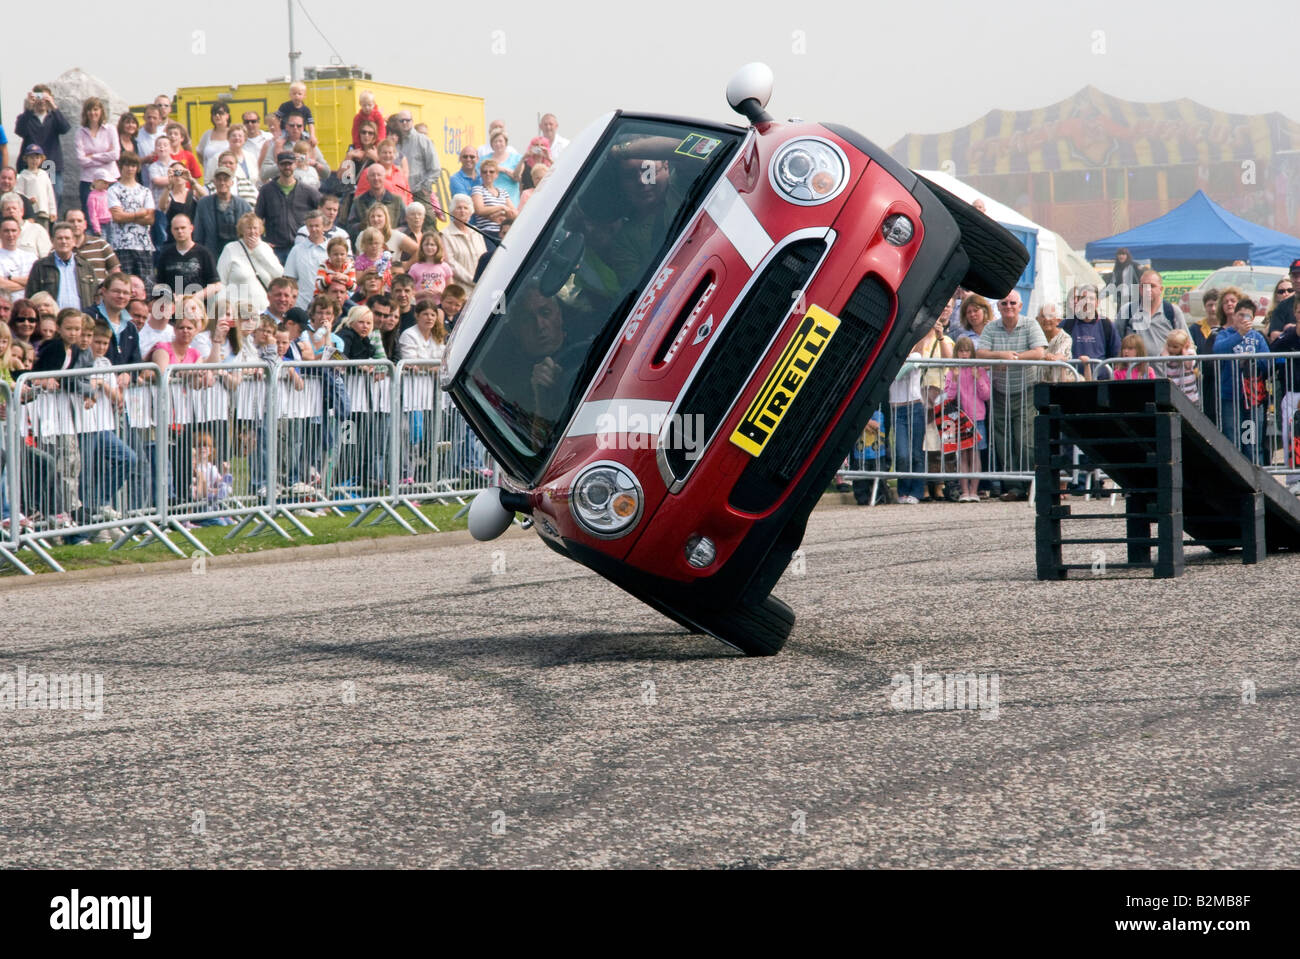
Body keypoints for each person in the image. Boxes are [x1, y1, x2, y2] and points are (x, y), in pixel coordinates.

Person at [975, 290, 1046, 501]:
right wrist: (1001, 356)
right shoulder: (991, 327)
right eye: (1004, 303)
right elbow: (980, 353)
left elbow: (1039, 352)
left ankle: (1030, 483)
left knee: (1024, 441)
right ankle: (1014, 487)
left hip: (1026, 390)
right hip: (999, 392)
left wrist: (1015, 358)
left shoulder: (1030, 324)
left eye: (1012, 303)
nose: (1008, 307)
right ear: (998, 307)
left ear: (1020, 306)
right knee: (1003, 441)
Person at [1212, 296, 1271, 465]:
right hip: (1230, 396)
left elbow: (1267, 362)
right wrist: (1239, 335)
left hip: (1252, 398)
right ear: (1235, 315)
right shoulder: (1224, 334)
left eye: (1247, 316)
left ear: (1252, 319)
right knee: (1232, 439)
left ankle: (1255, 479)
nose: (1243, 319)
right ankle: (1235, 477)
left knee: (1251, 440)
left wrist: (1252, 361)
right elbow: (1218, 350)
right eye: (1240, 315)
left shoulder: (1258, 338)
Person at [943, 336, 991, 502]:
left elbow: (986, 395)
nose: (964, 354)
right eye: (961, 351)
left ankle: (974, 491)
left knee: (975, 454)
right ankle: (964, 491)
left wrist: (978, 377)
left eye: (967, 350)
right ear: (957, 352)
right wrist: (955, 379)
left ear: (972, 353)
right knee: (963, 455)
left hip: (977, 417)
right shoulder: (952, 371)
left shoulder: (978, 370)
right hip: (959, 418)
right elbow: (949, 396)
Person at [255, 152, 322, 264]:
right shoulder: (266, 191)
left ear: (295, 164)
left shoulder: (308, 191)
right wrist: (262, 241)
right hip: (275, 248)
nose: (287, 167)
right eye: (283, 164)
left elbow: (322, 212)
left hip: (302, 247)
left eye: (290, 164)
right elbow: (257, 218)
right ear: (278, 165)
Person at [15, 86, 72, 207]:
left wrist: (53, 107)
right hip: (28, 163)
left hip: (50, 163)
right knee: (29, 197)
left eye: (44, 97)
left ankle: (52, 223)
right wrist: (28, 110)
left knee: (55, 194)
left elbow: (65, 128)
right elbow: (20, 131)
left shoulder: (54, 117)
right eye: (38, 97)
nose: (41, 101)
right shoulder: (26, 117)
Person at [104, 154, 155, 286]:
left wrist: (127, 215)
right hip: (122, 245)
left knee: (146, 287)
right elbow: (117, 217)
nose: (130, 169)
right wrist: (140, 213)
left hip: (143, 244)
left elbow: (150, 218)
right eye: (126, 165)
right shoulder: (113, 190)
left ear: (137, 168)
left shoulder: (145, 191)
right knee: (123, 285)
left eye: (133, 165)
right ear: (121, 167)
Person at [217, 212, 283, 314]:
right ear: (242, 230)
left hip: (263, 310)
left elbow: (279, 274)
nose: (252, 232)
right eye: (248, 228)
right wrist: (223, 308)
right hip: (238, 311)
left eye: (255, 228)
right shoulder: (230, 248)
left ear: (260, 230)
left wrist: (258, 251)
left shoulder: (265, 248)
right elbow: (221, 281)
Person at [888, 338, 927, 504]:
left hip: (915, 407)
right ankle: (903, 490)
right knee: (902, 454)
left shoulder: (916, 355)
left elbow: (898, 374)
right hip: (897, 409)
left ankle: (917, 491)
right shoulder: (889, 356)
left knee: (917, 453)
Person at [25, 222, 98, 309]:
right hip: (52, 319)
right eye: (60, 238)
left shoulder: (85, 266)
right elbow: (31, 298)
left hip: (82, 319)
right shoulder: (40, 266)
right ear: (52, 241)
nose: (63, 241)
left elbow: (95, 296)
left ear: (74, 241)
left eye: (67, 238)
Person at [1117, 269, 1188, 358]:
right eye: (1144, 286)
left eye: (1152, 286)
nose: (1148, 290)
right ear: (1139, 288)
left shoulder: (1173, 311)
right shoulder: (1127, 311)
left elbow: (1187, 343)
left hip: (1166, 370)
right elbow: (1116, 343)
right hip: (1135, 370)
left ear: (1161, 289)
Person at [155, 213, 221, 301]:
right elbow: (159, 285)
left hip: (197, 309)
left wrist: (193, 298)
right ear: (171, 231)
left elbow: (216, 285)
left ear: (191, 228)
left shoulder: (204, 253)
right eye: (176, 228)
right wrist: (171, 296)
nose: (180, 231)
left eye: (183, 228)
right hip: (173, 308)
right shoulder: (165, 255)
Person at [1061, 284, 1120, 381]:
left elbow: (1117, 354)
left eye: (1091, 298)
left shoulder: (1107, 325)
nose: (1087, 302)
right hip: (1072, 381)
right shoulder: (1067, 324)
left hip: (1101, 382)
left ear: (1097, 302)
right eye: (1083, 298)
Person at [389, 111, 440, 218]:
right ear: (397, 123)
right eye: (401, 121)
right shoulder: (394, 142)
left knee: (428, 222)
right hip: (399, 193)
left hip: (419, 192)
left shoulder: (423, 140)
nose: (404, 123)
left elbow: (435, 168)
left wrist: (425, 187)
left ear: (412, 122)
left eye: (407, 120)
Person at [193, 167, 251, 251]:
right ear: (214, 182)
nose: (222, 183)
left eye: (226, 179)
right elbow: (198, 233)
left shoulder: (243, 205)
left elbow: (250, 232)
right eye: (219, 179)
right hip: (211, 253)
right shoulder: (204, 204)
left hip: (237, 253)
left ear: (232, 183)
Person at [91, 272, 142, 366]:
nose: (121, 296)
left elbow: (136, 362)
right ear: (104, 291)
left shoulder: (131, 327)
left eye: (126, 293)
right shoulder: (90, 317)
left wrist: (128, 375)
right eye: (116, 291)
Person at [441, 194, 486, 297]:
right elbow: (450, 264)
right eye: (458, 208)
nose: (462, 211)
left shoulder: (477, 233)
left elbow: (485, 257)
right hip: (460, 292)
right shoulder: (445, 234)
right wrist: (473, 281)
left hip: (481, 288)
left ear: (471, 212)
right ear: (452, 212)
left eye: (466, 208)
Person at [285, 210, 331, 309]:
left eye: (317, 226)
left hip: (327, 306)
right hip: (302, 305)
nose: (314, 229)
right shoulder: (297, 250)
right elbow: (290, 279)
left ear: (324, 226)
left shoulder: (331, 249)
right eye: (310, 226)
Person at [470, 160, 516, 242]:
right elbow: (479, 210)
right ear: (481, 174)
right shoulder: (478, 189)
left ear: (496, 174)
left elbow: (514, 213)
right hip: (487, 232)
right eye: (485, 172)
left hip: (505, 232)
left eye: (491, 172)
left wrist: (499, 214)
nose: (488, 174)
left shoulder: (503, 191)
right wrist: (502, 207)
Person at [478, 129, 524, 206]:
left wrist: (503, 170)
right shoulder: (484, 159)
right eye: (495, 141)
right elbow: (479, 177)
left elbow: (519, 178)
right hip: (490, 201)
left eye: (500, 141)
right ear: (491, 144)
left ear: (506, 143)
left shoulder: (517, 158)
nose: (498, 144)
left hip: (512, 201)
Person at [16, 144, 57, 227]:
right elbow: (19, 193)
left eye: (37, 158)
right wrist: (27, 200)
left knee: (44, 231)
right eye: (31, 158)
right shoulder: (23, 175)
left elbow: (50, 194)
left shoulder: (44, 175)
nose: (34, 160)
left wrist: (53, 211)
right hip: (30, 212)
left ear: (41, 159)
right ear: (26, 159)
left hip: (43, 211)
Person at [407, 231, 452, 302]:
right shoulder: (415, 268)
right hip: (420, 305)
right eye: (426, 244)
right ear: (421, 247)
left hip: (440, 305)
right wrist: (421, 293)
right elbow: (408, 292)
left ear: (438, 247)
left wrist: (442, 294)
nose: (429, 247)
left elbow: (451, 290)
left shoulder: (445, 266)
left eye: (432, 245)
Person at [1036, 302, 1075, 383]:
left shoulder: (1065, 338)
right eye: (1043, 316)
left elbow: (1057, 357)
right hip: (1040, 384)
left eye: (1050, 316)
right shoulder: (1034, 336)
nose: (1046, 319)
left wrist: (1047, 357)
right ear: (1037, 319)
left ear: (1058, 320)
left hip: (1062, 383)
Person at [0, 218, 37, 302]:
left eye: (14, 230)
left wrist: (10, 278)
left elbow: (34, 280)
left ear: (19, 232)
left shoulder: (31, 257)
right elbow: (1, 285)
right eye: (6, 231)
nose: (10, 234)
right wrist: (26, 285)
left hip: (27, 305)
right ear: (0, 233)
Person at [1266, 259, 1300, 341]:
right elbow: (1274, 336)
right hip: (1291, 351)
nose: (1298, 280)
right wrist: (1294, 331)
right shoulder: (1282, 306)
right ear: (1290, 278)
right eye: (1295, 276)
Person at [274, 82, 317, 147]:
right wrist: (277, 130)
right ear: (290, 95)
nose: (296, 96)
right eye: (294, 94)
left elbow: (310, 123)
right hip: (285, 130)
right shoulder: (285, 106)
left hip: (301, 131)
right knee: (278, 141)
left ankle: (311, 155)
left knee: (312, 142)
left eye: (299, 94)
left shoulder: (306, 110)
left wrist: (312, 136)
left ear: (304, 96)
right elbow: (276, 118)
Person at [195, 102, 233, 175]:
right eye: (214, 113)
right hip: (210, 177)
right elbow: (199, 152)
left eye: (220, 113)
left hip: (229, 177)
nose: (217, 115)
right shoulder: (207, 134)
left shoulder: (233, 133)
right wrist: (207, 165)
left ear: (227, 116)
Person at [1163, 329, 1199, 404]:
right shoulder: (1168, 354)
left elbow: (1188, 365)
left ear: (1185, 345)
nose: (1171, 349)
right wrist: (1166, 348)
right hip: (1174, 394)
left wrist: (1184, 351)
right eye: (1169, 346)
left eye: (1175, 347)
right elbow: (1164, 359)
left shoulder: (1189, 353)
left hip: (1189, 395)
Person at [1107, 247, 1142, 325]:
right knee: (1121, 317)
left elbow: (1141, 279)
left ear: (1127, 256)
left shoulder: (1134, 266)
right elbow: (1113, 282)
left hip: (1134, 296)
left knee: (1134, 316)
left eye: (1123, 254)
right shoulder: (1117, 267)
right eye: (1119, 254)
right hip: (1122, 297)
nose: (1121, 256)